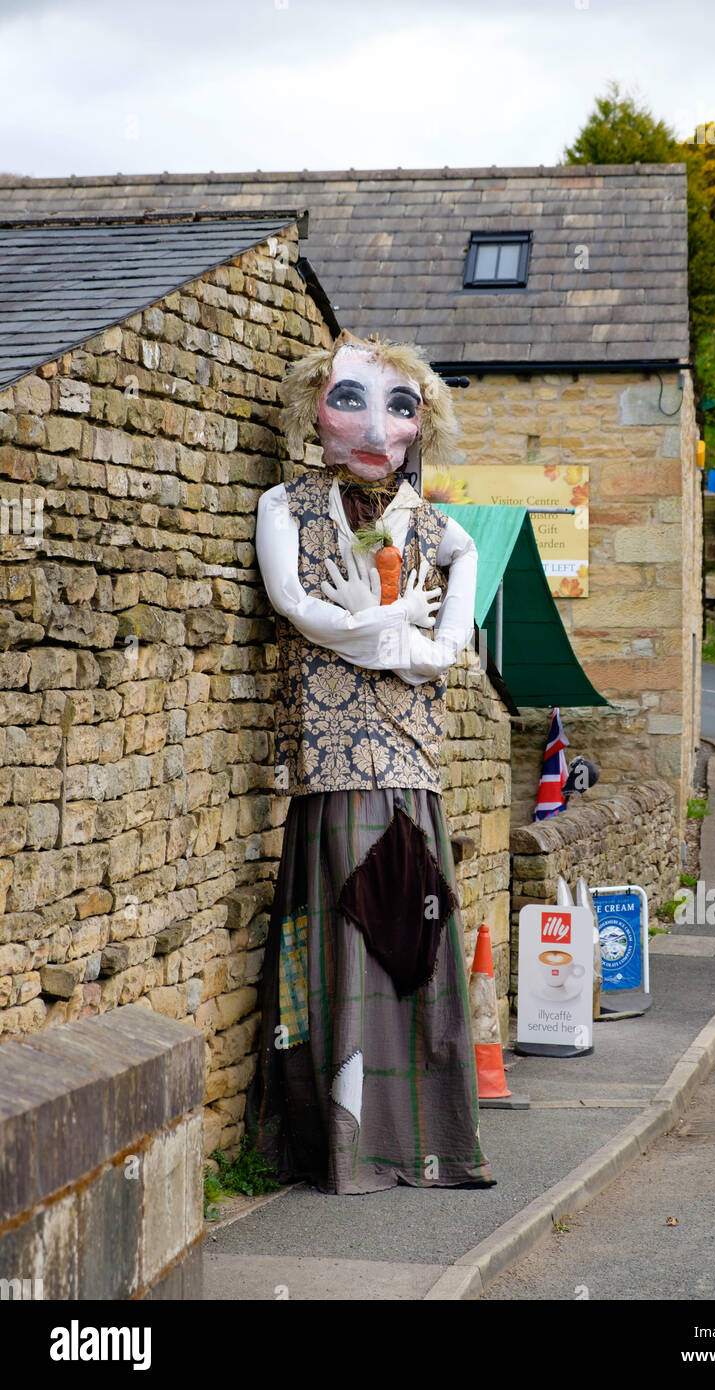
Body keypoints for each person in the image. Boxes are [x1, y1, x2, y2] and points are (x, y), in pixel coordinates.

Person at [245, 329, 494, 1194]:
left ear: (422, 418)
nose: (376, 425)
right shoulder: (286, 506)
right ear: (315, 406)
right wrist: (385, 628)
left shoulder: (434, 524)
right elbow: (296, 607)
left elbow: (448, 643)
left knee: (411, 937)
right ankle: (343, 1144)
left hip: (409, 760)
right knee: (339, 937)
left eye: (398, 405)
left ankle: (420, 1137)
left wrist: (410, 647)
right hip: (333, 759)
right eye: (350, 399)